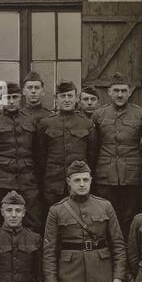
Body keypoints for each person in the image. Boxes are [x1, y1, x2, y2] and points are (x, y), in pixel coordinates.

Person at [90, 72, 142, 239]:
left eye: (124, 90)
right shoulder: (99, 115)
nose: (120, 94)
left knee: (131, 219)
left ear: (130, 92)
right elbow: (93, 148)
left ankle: (129, 259)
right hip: (105, 177)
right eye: (116, 90)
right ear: (109, 92)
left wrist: (134, 162)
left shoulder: (141, 115)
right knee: (105, 217)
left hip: (131, 177)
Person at [0, 81, 40, 230]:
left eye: (15, 97)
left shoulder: (31, 120)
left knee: (32, 221)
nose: (11, 101)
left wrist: (31, 173)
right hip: (1, 183)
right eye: (7, 97)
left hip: (27, 181)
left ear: (20, 98)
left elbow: (38, 153)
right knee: (3, 221)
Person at [35, 80, 95, 225]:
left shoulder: (86, 123)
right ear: (56, 99)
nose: (67, 100)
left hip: (78, 185)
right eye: (63, 96)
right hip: (52, 184)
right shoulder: (46, 123)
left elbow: (93, 155)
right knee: (52, 222)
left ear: (76, 98)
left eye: (70, 96)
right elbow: (39, 156)